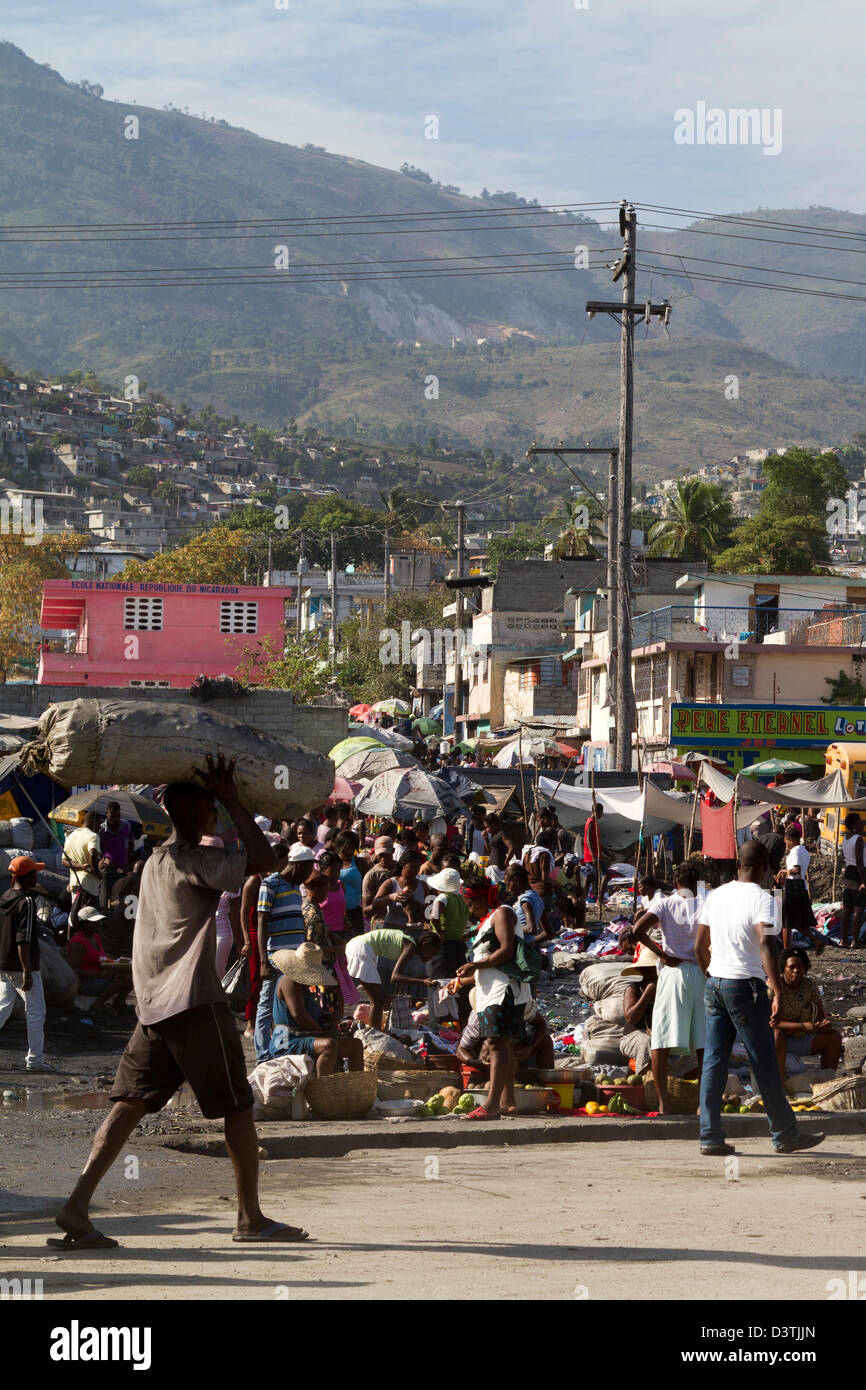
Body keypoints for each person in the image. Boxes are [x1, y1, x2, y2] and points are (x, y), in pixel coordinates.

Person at [52, 755, 312, 1249]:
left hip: (152, 1004)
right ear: (195, 815)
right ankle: (249, 1218)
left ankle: (77, 1206)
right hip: (192, 1002)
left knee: (128, 1106)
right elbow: (264, 861)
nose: (216, 820)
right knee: (236, 1106)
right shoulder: (192, 859)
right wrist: (235, 799)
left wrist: (227, 804)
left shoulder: (154, 861)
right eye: (211, 812)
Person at [695, 839, 824, 1157]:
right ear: (766, 867)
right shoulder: (764, 899)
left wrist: (710, 975)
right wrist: (777, 989)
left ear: (738, 865)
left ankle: (710, 1136)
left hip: (716, 985)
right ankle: (784, 1133)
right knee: (764, 1061)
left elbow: (699, 946)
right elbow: (767, 946)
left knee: (714, 1061)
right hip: (746, 988)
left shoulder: (717, 895)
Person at [454, 879, 532, 1120]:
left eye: (469, 905)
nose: (469, 911)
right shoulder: (490, 919)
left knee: (497, 1045)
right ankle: (507, 1101)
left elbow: (507, 950)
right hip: (493, 990)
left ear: (479, 899)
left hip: (503, 990)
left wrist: (474, 964)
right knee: (503, 1045)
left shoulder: (503, 913)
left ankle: (491, 1105)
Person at [632, 862, 705, 1113]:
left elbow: (637, 930)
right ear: (696, 884)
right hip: (700, 973)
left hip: (673, 973)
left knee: (661, 1042)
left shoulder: (664, 903)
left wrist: (660, 954)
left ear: (675, 884)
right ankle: (703, 1104)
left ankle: (663, 1104)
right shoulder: (705, 905)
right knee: (703, 1045)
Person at [255, 841, 316, 1064]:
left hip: (295, 960)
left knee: (283, 1012)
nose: (309, 875)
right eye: (309, 869)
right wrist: (263, 960)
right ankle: (263, 1056)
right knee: (266, 1007)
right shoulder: (270, 884)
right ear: (300, 866)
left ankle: (281, 1050)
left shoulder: (293, 888)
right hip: (275, 957)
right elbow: (262, 921)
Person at [270, 943, 362, 1075]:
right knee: (329, 1045)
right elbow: (298, 1015)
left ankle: (355, 1088)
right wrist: (321, 1032)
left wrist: (331, 1019)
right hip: (287, 1041)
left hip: (305, 1036)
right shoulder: (288, 981)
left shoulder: (303, 986)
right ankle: (321, 1091)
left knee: (356, 1045)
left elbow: (311, 1015)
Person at [0, 854, 52, 1072]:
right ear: (27, 877)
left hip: (3, 964)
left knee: (2, 1009)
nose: (37, 877)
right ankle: (35, 1061)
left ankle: (36, 1060)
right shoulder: (27, 903)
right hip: (21, 966)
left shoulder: (5, 897)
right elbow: (24, 940)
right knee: (36, 1012)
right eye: (34, 874)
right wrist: (27, 971)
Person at [345, 927, 439, 1030]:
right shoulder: (410, 946)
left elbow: (397, 977)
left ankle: (374, 1032)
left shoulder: (409, 943)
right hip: (361, 949)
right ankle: (373, 1034)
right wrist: (421, 981)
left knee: (379, 999)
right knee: (378, 1000)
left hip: (357, 945)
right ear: (425, 945)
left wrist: (418, 979)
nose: (431, 957)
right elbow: (395, 977)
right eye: (432, 953)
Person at [457, 993, 554, 1090]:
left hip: (514, 1050)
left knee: (546, 1041)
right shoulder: (478, 1020)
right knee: (489, 1045)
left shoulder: (522, 1008)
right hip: (487, 1055)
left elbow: (541, 1026)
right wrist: (477, 1062)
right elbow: (461, 1050)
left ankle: (547, 1086)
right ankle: (490, 1085)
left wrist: (529, 1048)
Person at [770, 948, 842, 1077]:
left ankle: (827, 1081)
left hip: (800, 1039)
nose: (796, 971)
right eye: (791, 967)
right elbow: (772, 1023)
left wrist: (824, 1024)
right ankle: (778, 1083)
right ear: (783, 968)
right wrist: (802, 1026)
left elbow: (820, 1016)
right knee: (777, 1035)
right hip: (777, 1043)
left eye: (800, 967)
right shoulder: (774, 987)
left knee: (834, 1037)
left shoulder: (809, 985)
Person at [67, 906, 133, 1012]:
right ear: (84, 923)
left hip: (98, 975)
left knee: (130, 974)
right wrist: (99, 974)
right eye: (95, 921)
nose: (99, 924)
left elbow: (101, 958)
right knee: (124, 978)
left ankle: (119, 1002)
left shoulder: (95, 938)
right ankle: (98, 1004)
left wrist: (117, 962)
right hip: (85, 982)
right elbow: (74, 970)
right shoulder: (78, 941)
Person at [776, 826, 823, 954]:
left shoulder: (795, 852)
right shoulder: (804, 851)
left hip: (793, 887)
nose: (786, 845)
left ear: (791, 840)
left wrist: (783, 871)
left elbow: (796, 870)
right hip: (801, 886)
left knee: (786, 922)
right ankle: (816, 941)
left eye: (786, 842)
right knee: (794, 921)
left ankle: (786, 952)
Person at [619, 946, 657, 1075]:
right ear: (642, 971)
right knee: (646, 1042)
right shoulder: (633, 989)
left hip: (660, 1035)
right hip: (632, 1037)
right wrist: (648, 992)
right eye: (650, 970)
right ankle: (644, 1084)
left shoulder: (666, 989)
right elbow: (631, 1018)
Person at [100, 854, 145, 959]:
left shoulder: (120, 881)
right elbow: (132, 920)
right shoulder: (136, 885)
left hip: (110, 930)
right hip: (121, 941)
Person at [370, 852, 426, 933]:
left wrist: (414, 904)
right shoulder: (390, 883)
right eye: (413, 867)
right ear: (403, 865)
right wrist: (390, 897)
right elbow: (375, 903)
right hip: (392, 932)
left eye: (418, 867)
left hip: (415, 932)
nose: (416, 870)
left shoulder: (423, 886)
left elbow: (429, 912)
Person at [63, 811, 102, 924]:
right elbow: (92, 853)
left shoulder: (71, 836)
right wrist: (97, 873)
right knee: (89, 919)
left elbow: (64, 861)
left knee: (74, 915)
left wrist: (81, 866)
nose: (99, 827)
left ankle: (72, 940)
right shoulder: (93, 836)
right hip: (88, 886)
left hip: (74, 883)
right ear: (93, 822)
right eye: (99, 824)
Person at [97, 800, 134, 911]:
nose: (116, 819)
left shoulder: (127, 825)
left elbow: (131, 844)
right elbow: (96, 849)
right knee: (104, 901)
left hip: (122, 869)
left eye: (118, 816)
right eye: (112, 816)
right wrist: (101, 860)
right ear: (107, 814)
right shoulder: (101, 830)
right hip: (108, 869)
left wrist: (127, 861)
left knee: (120, 901)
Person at [505, 861, 553, 943]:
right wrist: (531, 944)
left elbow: (531, 928)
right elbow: (549, 933)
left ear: (517, 880)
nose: (509, 889)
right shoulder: (538, 898)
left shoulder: (525, 900)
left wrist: (508, 928)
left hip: (521, 951)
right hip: (528, 950)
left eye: (508, 884)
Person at [839, 813, 866, 949]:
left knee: (847, 907)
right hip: (858, 873)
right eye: (860, 821)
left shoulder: (845, 838)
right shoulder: (858, 839)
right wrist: (864, 881)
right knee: (859, 909)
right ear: (854, 825)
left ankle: (843, 940)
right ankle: (854, 941)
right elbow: (860, 862)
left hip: (849, 872)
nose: (863, 823)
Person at [336, 830, 368, 939]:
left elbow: (367, 887)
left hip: (355, 912)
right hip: (335, 911)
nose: (350, 851)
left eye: (353, 848)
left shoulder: (360, 863)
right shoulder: (331, 861)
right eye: (347, 847)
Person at [363, 836, 396, 923]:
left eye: (387, 854)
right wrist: (388, 899)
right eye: (381, 855)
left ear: (393, 851)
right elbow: (365, 911)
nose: (383, 859)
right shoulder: (372, 875)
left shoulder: (401, 869)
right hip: (381, 922)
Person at [583, 804, 612, 901]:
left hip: (592, 855)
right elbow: (588, 840)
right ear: (598, 811)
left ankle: (584, 898)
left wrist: (609, 854)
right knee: (606, 875)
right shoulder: (591, 822)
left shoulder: (593, 822)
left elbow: (597, 843)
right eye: (601, 812)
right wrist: (593, 856)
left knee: (589, 878)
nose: (602, 814)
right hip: (592, 856)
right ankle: (599, 899)